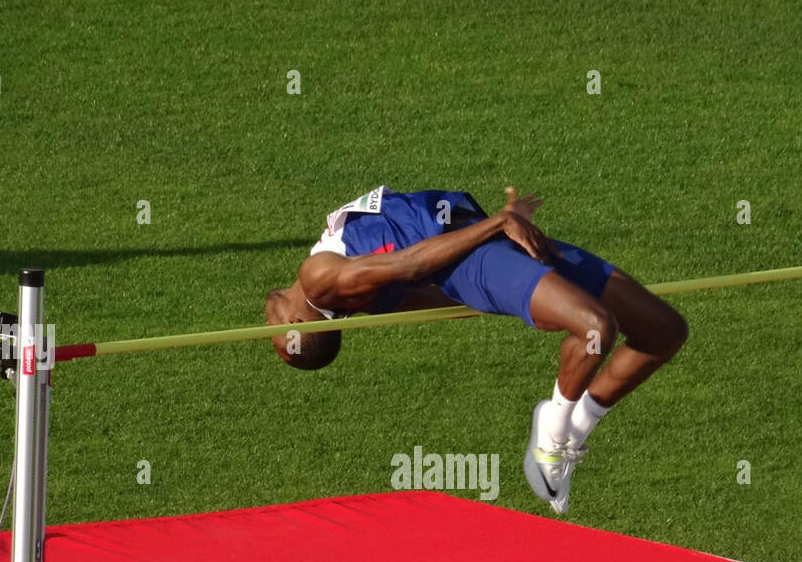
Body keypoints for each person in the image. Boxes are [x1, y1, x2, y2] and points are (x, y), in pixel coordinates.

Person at [265, 186, 688, 513]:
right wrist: (500, 225)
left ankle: (574, 429)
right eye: (276, 337)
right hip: (477, 253)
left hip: (492, 242)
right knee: (594, 327)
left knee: (663, 332)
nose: (267, 323)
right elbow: (412, 266)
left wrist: (515, 282)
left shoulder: (349, 296)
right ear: (298, 326)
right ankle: (551, 435)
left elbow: (429, 293)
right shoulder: (319, 278)